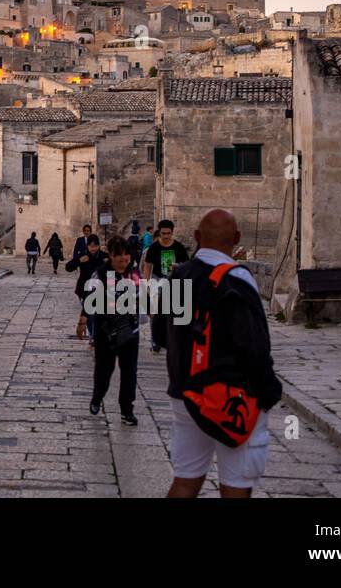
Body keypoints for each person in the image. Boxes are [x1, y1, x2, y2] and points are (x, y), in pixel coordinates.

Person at [166, 210, 282, 499]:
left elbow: (164, 335)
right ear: (238, 240)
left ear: (195, 237)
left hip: (186, 394)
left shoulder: (178, 277)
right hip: (231, 398)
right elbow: (255, 346)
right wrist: (269, 393)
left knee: (185, 481)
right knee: (236, 486)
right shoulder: (239, 280)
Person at [89, 237, 141, 425]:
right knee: (105, 369)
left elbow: (141, 295)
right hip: (106, 332)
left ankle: (127, 410)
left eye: (126, 254)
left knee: (130, 372)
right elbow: (91, 300)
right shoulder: (101, 274)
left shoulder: (133, 273)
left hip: (130, 331)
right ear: (110, 255)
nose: (123, 258)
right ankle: (97, 396)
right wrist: (83, 319)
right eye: (119, 255)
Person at [144, 219, 190, 353]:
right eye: (163, 233)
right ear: (159, 233)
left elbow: (187, 265)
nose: (165, 236)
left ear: (172, 232)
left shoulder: (178, 247)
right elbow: (147, 267)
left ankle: (173, 339)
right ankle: (155, 341)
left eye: (168, 233)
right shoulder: (153, 248)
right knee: (154, 313)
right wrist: (146, 285)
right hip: (157, 280)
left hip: (173, 281)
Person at [66, 230, 105, 341]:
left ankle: (95, 335)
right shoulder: (83, 256)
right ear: (87, 246)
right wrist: (78, 261)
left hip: (100, 290)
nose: (93, 249)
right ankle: (93, 335)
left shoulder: (103, 256)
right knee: (90, 313)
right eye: (91, 246)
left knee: (98, 313)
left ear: (98, 246)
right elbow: (68, 267)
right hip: (84, 290)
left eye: (95, 246)